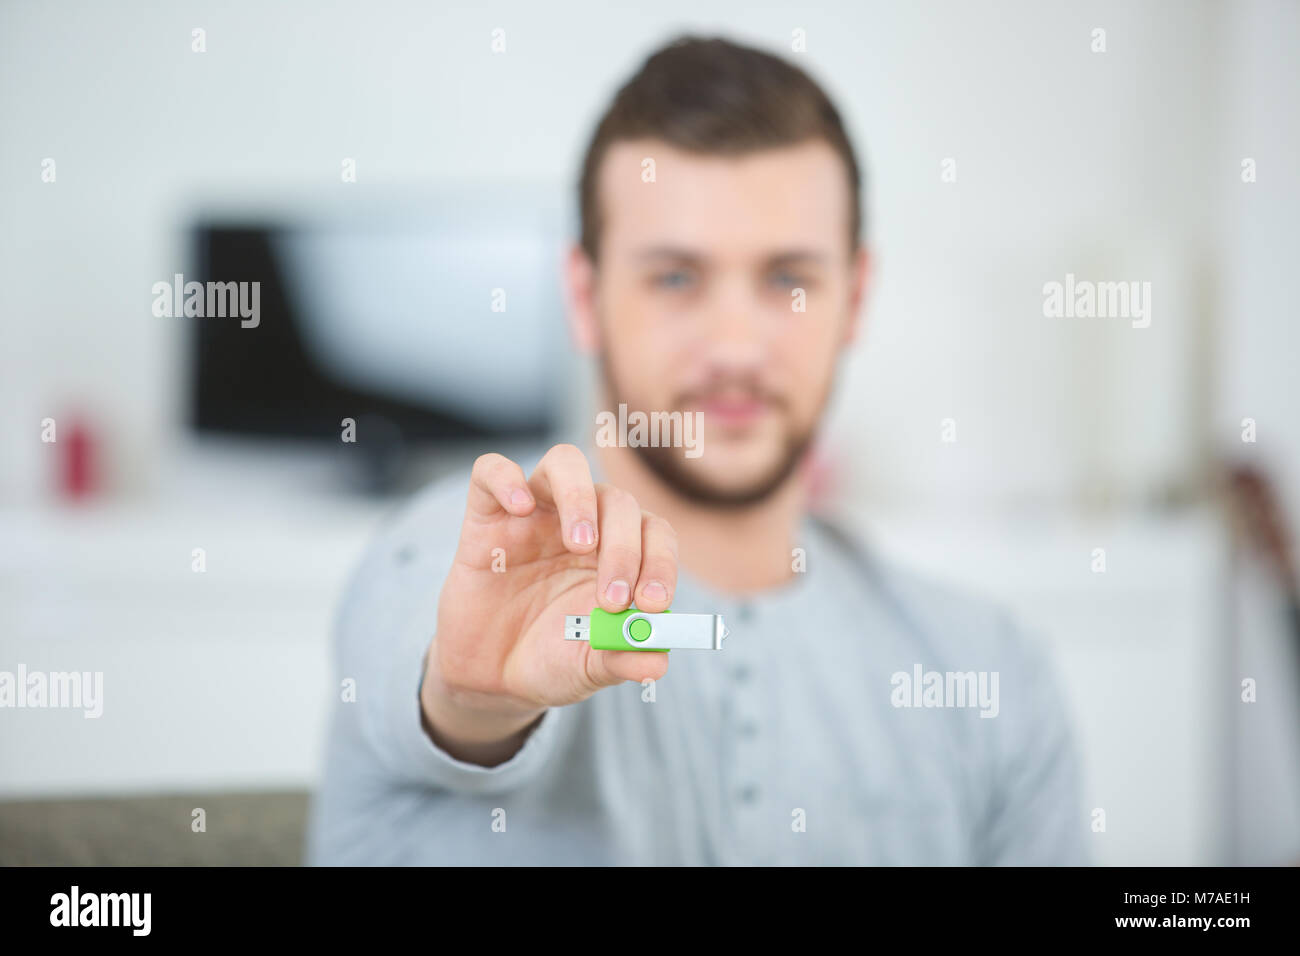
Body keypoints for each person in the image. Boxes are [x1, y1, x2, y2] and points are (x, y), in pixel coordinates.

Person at [306, 35, 1088, 865]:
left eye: (788, 278)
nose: (736, 346)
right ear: (583, 296)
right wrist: (472, 697)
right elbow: (445, 674)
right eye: (676, 278)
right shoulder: (444, 562)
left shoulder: (989, 672)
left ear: (854, 299)